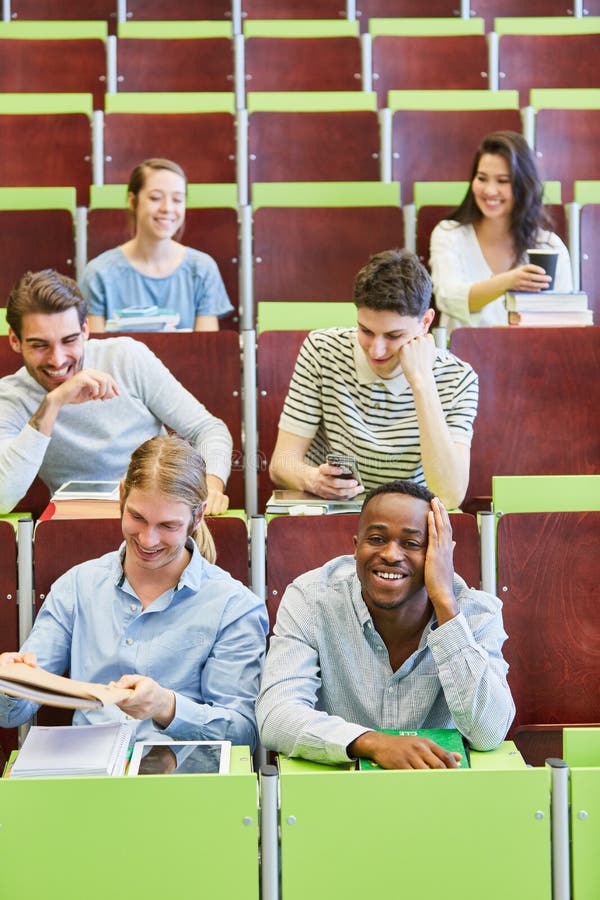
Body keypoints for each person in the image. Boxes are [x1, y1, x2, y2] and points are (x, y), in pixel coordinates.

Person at [0, 435, 268, 749]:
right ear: (122, 496)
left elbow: (243, 733)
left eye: (167, 526)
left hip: (186, 782)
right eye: (137, 517)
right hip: (88, 774)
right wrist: (11, 683)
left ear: (197, 517)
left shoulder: (233, 606)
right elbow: (13, 713)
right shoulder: (77, 586)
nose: (148, 539)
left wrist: (166, 707)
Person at [256, 480, 515, 768]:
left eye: (412, 543)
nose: (391, 555)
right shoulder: (312, 599)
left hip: (441, 790)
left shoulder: (477, 612)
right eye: (377, 539)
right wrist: (372, 743)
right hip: (340, 789)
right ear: (356, 547)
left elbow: (489, 732)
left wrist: (445, 604)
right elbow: (275, 715)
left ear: (440, 554)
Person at [0, 269, 232, 515]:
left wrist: (212, 485)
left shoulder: (126, 357)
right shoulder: (11, 396)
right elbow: (3, 497)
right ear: (15, 340)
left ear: (85, 331)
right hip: (76, 526)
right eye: (40, 345)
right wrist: (53, 403)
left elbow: (208, 429)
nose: (57, 360)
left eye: (69, 341)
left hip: (157, 515)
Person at [268, 249, 478, 510]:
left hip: (408, 521)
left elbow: (449, 495)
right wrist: (313, 480)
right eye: (366, 331)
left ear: (425, 322)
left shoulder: (459, 378)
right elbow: (281, 463)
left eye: (393, 336)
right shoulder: (322, 349)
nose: (376, 350)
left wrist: (421, 383)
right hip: (335, 513)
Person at [429, 130, 573, 335]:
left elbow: (564, 320)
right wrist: (508, 281)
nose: (489, 190)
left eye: (503, 181)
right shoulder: (449, 234)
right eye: (482, 178)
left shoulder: (549, 246)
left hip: (531, 359)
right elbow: (449, 299)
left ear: (524, 186)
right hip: (464, 360)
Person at [80, 158, 233, 332]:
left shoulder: (203, 269)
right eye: (155, 198)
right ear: (132, 202)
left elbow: (206, 351)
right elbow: (95, 353)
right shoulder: (99, 273)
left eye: (177, 200)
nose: (167, 208)